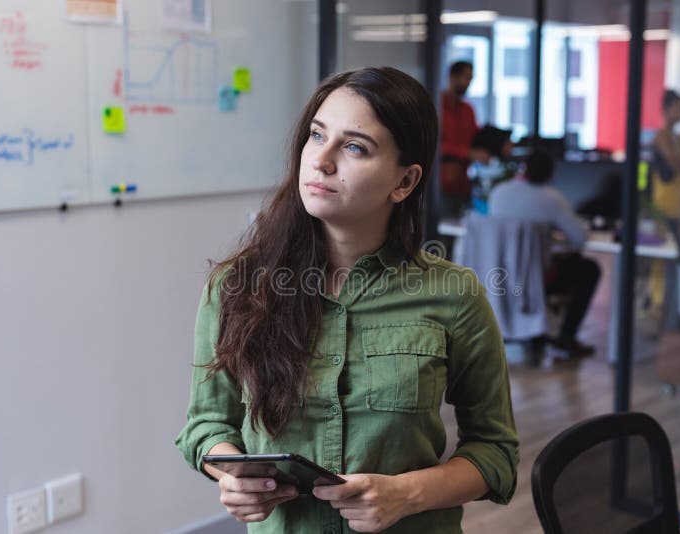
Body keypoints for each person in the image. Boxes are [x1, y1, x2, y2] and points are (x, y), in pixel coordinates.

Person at [175, 67, 518, 533]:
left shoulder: (454, 296)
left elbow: (495, 453)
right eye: (317, 136)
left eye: (354, 147)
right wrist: (231, 473)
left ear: (405, 182)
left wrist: (406, 495)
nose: (322, 160)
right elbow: (207, 425)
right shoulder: (237, 286)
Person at [488, 149, 601, 358]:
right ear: (551, 174)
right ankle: (566, 337)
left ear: (523, 168)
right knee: (589, 269)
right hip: (536, 276)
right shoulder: (551, 198)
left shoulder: (499, 193)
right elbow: (580, 237)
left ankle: (538, 328)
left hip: (499, 274)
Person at [648, 89, 680, 312]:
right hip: (665, 203)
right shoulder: (662, 137)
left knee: (675, 256)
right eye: (678, 107)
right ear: (666, 109)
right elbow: (677, 165)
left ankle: (670, 303)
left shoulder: (676, 138)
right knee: (662, 255)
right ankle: (657, 303)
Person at [440, 60, 491, 218]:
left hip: (463, 184)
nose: (468, 82)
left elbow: (476, 138)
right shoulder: (437, 105)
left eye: (471, 78)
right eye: (466, 77)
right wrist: (468, 153)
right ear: (452, 77)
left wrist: (497, 144)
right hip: (440, 183)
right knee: (440, 237)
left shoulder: (468, 110)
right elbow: (434, 145)